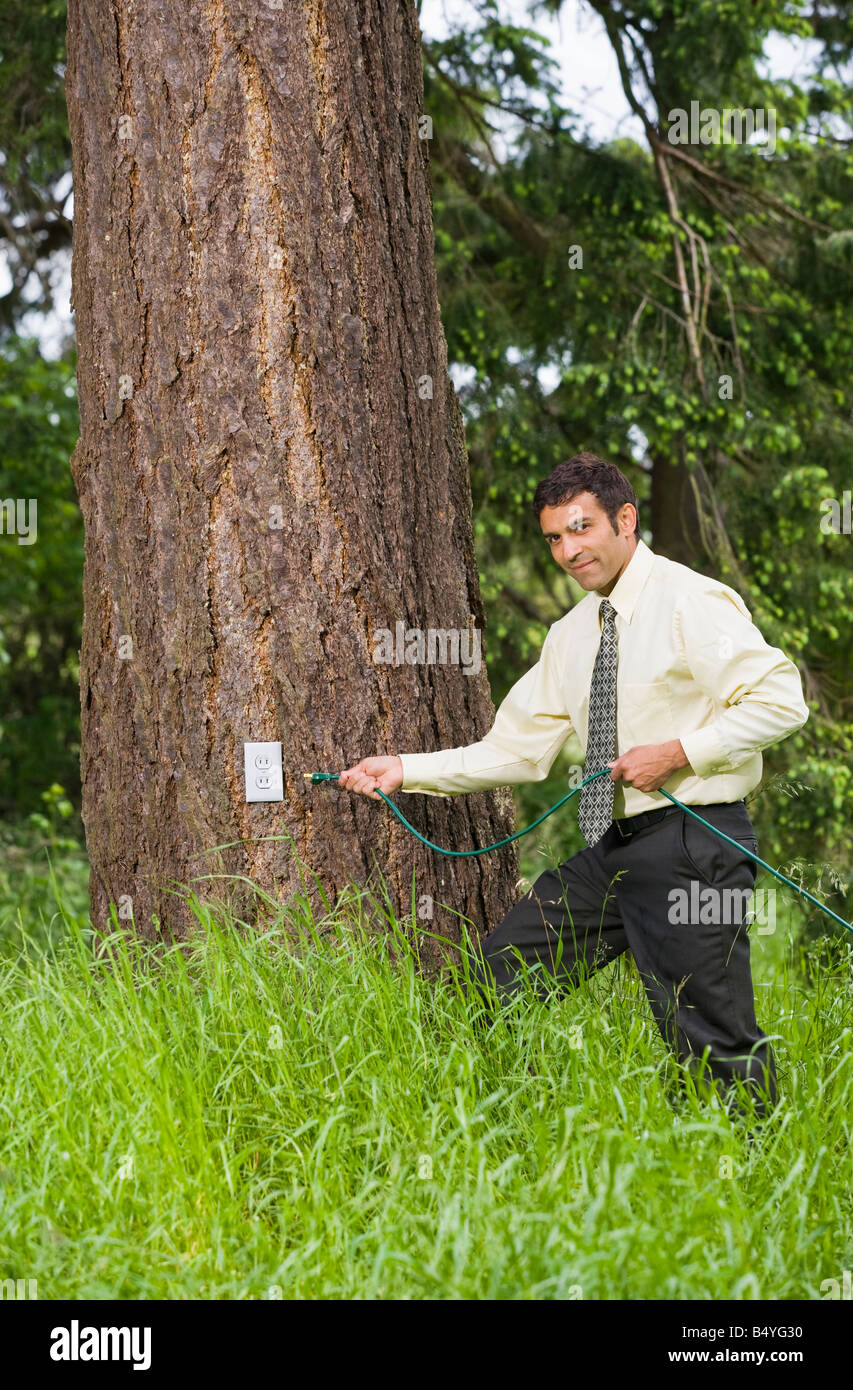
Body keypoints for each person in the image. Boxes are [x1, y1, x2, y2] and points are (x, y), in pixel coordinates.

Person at [338, 452, 810, 1123]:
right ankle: (492, 1132)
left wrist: (677, 751)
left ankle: (751, 1180)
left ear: (625, 519)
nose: (568, 550)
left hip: (692, 846)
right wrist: (405, 770)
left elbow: (780, 700)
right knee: (496, 979)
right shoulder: (570, 635)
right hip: (613, 851)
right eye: (554, 538)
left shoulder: (689, 601)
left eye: (580, 529)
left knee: (708, 1039)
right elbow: (515, 751)